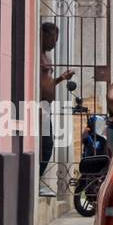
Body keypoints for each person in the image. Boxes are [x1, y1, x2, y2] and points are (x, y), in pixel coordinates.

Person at [39, 22, 74, 195]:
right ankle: (36, 179)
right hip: (37, 107)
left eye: (57, 39)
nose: (54, 43)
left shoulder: (47, 57)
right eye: (52, 39)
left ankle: (37, 179)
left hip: (46, 107)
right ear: (43, 35)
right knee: (45, 144)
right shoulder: (37, 55)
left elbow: (49, 83)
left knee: (46, 144)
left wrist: (61, 78)